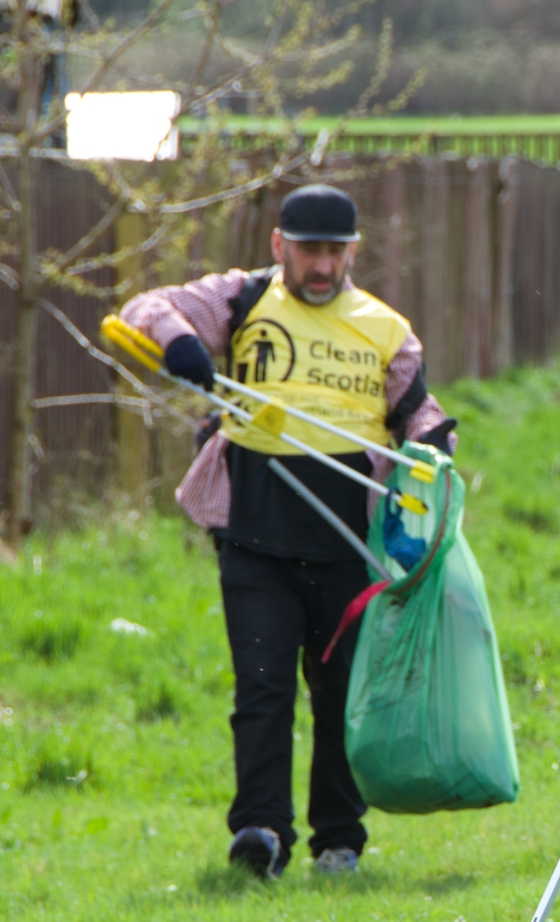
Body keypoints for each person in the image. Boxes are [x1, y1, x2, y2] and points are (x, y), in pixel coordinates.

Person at [119, 184, 456, 879]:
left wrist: (436, 449)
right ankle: (262, 833)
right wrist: (180, 342)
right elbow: (144, 308)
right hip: (254, 536)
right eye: (308, 252)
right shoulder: (242, 300)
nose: (322, 266)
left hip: (349, 546)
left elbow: (419, 413)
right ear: (280, 246)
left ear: (353, 252)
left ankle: (339, 841)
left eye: (335, 252)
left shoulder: (387, 329)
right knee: (262, 687)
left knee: (338, 695)